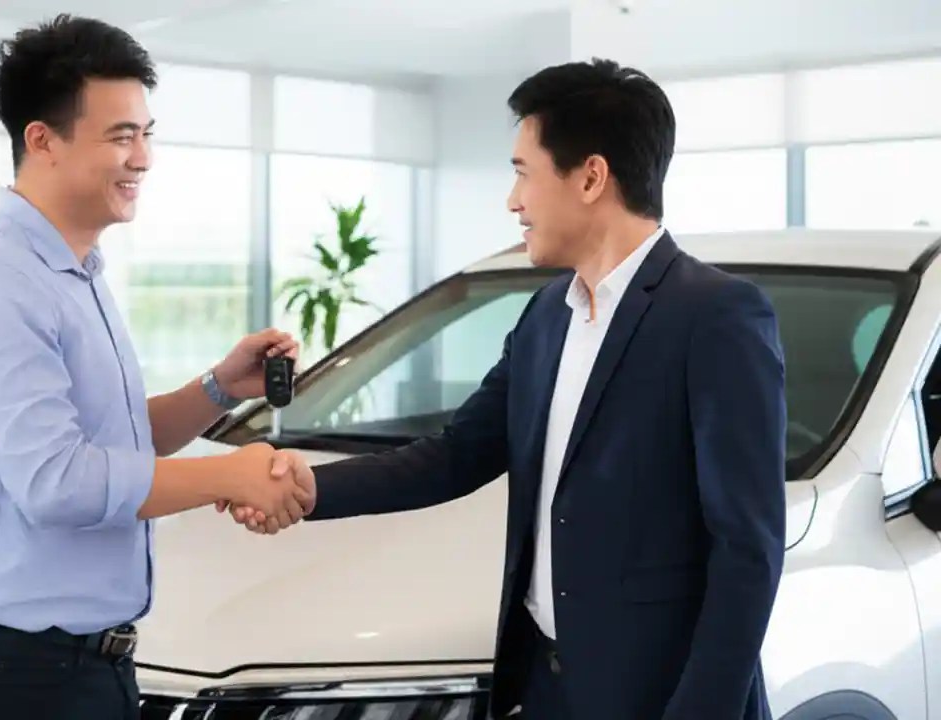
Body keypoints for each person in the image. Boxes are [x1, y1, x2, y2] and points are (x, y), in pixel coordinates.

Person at [233, 58, 786, 720]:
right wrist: (311, 489)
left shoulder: (716, 316)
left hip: (658, 697)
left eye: (523, 172)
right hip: (545, 689)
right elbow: (458, 453)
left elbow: (748, 549)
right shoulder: (546, 315)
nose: (512, 200)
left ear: (590, 177)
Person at [0, 15, 313, 720]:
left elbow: (116, 441)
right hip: (19, 675)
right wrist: (229, 473)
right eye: (121, 136)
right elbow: (57, 481)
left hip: (81, 665)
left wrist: (219, 387)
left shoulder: (76, 270)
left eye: (147, 134)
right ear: (43, 140)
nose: (144, 158)